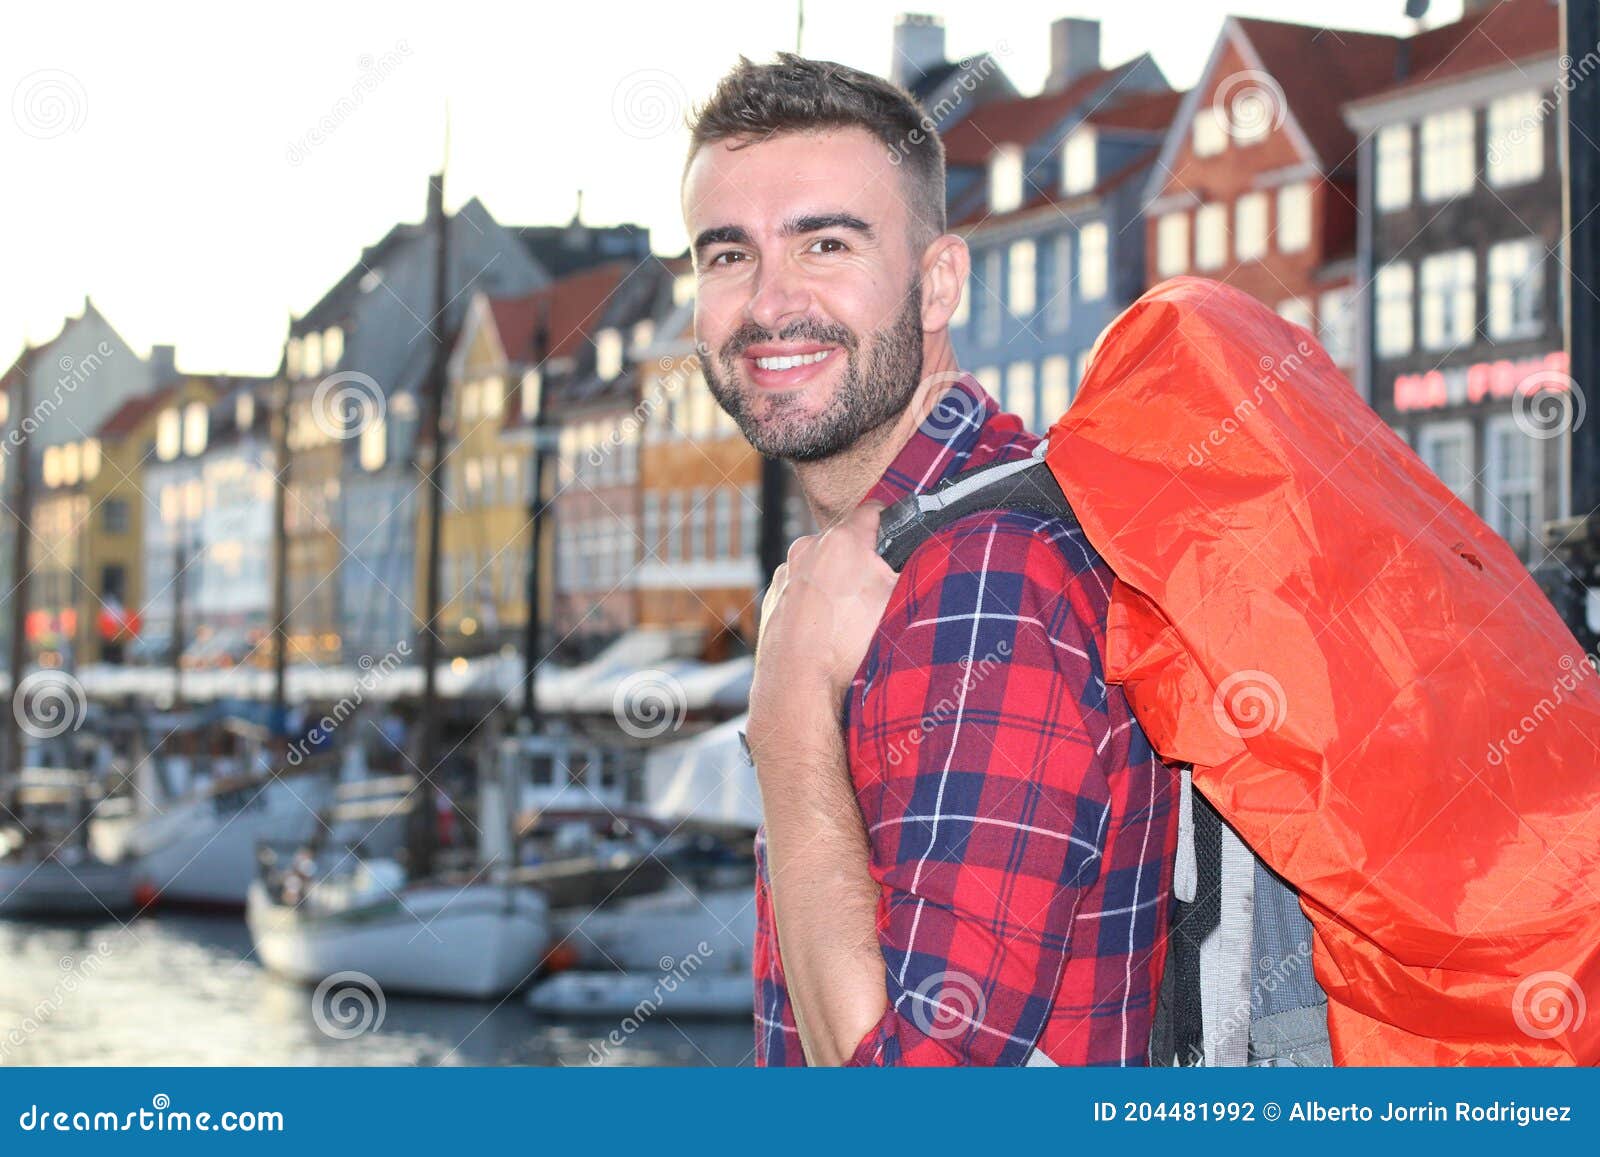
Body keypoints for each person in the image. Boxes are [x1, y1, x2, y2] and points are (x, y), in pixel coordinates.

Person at [681, 54, 1180, 1066]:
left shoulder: (984, 580)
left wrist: (784, 721)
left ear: (938, 280)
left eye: (825, 243)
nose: (770, 302)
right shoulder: (918, 546)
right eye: (727, 255)